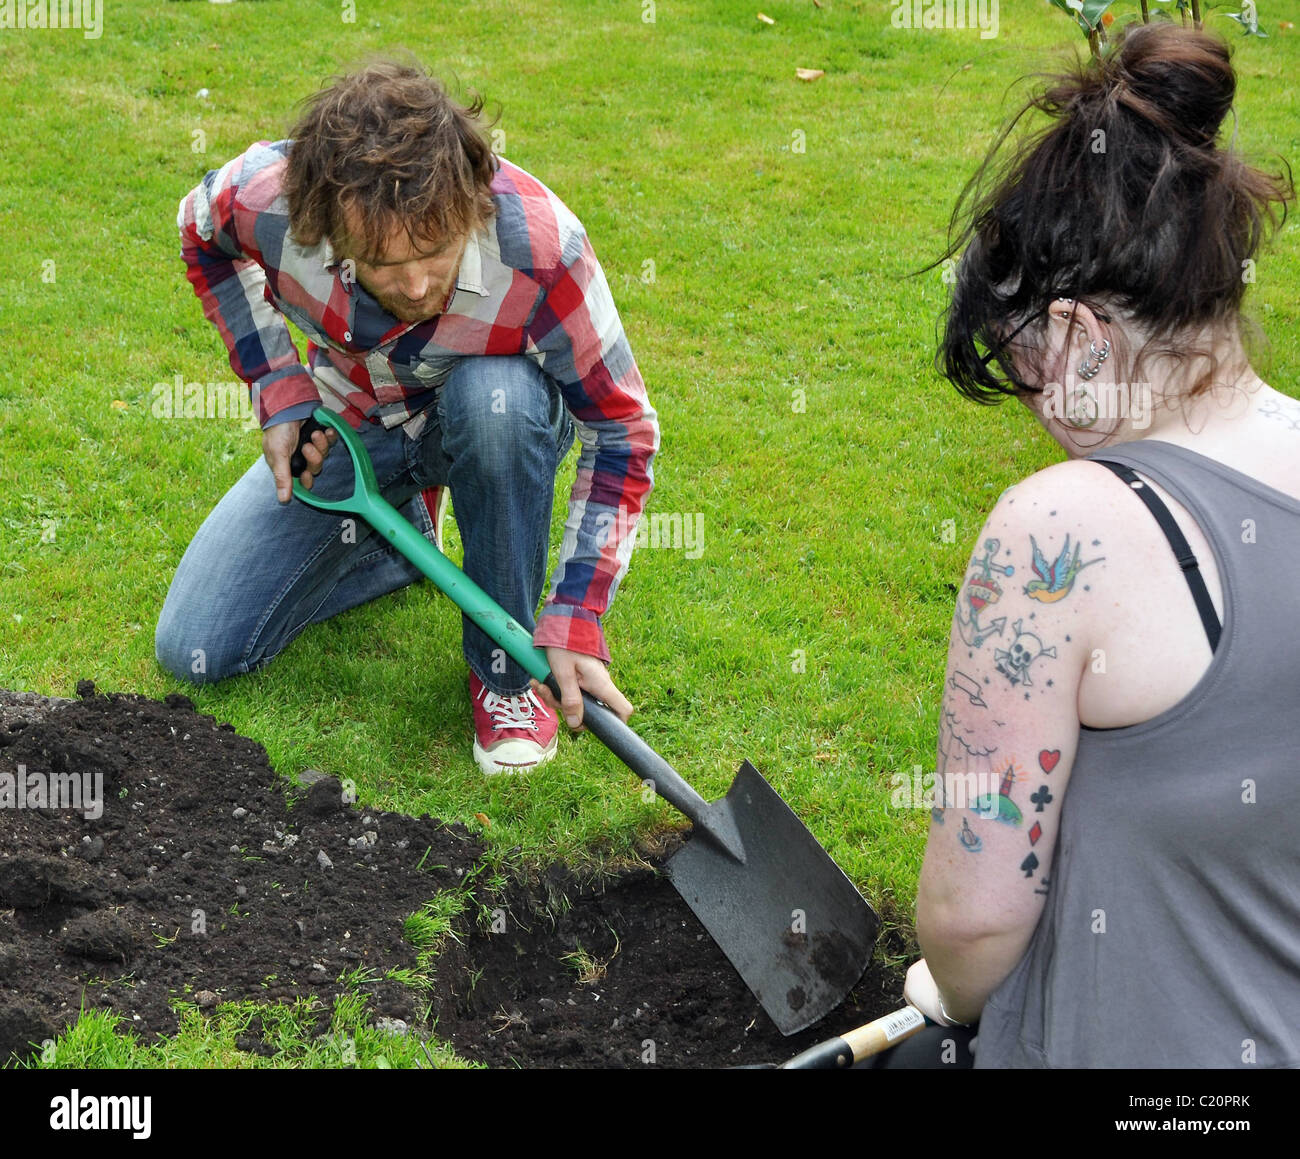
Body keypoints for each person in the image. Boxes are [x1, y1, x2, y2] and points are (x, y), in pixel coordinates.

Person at [900, 22, 1300, 1068]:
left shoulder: (1061, 529)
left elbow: (974, 917)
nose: (1033, 410)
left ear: (1078, 338)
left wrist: (941, 984)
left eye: (1023, 367)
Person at [157, 61, 658, 775]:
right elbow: (200, 231)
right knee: (197, 644)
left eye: (434, 252)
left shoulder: (546, 251)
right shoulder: (269, 199)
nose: (417, 284)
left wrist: (577, 609)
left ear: (471, 203)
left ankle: (505, 678)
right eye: (384, 265)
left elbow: (622, 429)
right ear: (327, 227)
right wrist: (277, 382)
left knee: (497, 404)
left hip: (491, 421)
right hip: (354, 426)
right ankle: (400, 538)